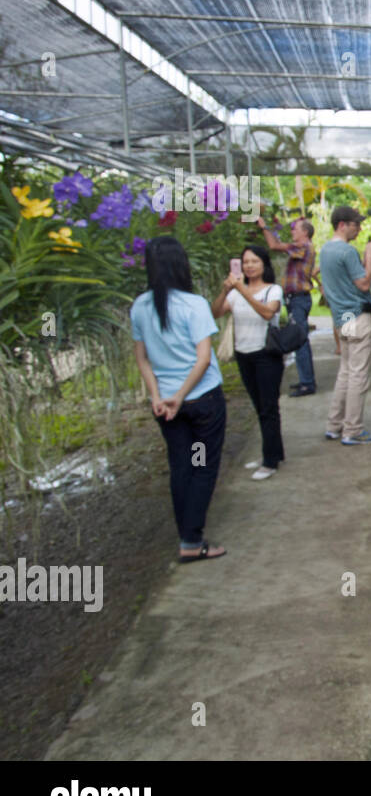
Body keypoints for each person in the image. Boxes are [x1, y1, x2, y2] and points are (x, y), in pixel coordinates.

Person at [130, 236, 227, 563]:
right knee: (201, 465)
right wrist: (181, 397)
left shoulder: (140, 306)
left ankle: (187, 533)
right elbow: (203, 359)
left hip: (167, 407)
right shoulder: (193, 304)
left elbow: (142, 359)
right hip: (200, 404)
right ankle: (191, 540)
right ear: (180, 264)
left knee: (181, 466)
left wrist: (159, 397)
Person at [212, 245, 284, 480]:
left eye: (254, 261)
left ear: (264, 264)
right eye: (245, 262)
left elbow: (267, 314)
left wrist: (242, 289)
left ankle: (270, 461)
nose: (249, 266)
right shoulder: (234, 292)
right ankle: (272, 452)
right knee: (259, 407)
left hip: (266, 355)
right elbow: (215, 313)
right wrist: (225, 291)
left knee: (268, 408)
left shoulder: (273, 290)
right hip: (243, 355)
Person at [319, 205, 371, 445]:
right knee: (358, 375)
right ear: (342, 224)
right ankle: (352, 430)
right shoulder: (346, 251)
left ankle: (334, 425)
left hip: (342, 319)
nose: (359, 229)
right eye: (356, 224)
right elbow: (364, 284)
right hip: (357, 316)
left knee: (345, 372)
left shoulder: (325, 250)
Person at [258, 215, 316, 397]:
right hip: (296, 299)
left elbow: (274, 246)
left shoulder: (303, 246)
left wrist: (264, 226)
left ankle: (307, 383)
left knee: (300, 340)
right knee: (299, 339)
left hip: (299, 299)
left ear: (305, 232)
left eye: (295, 228)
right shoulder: (301, 248)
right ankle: (305, 379)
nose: (292, 231)